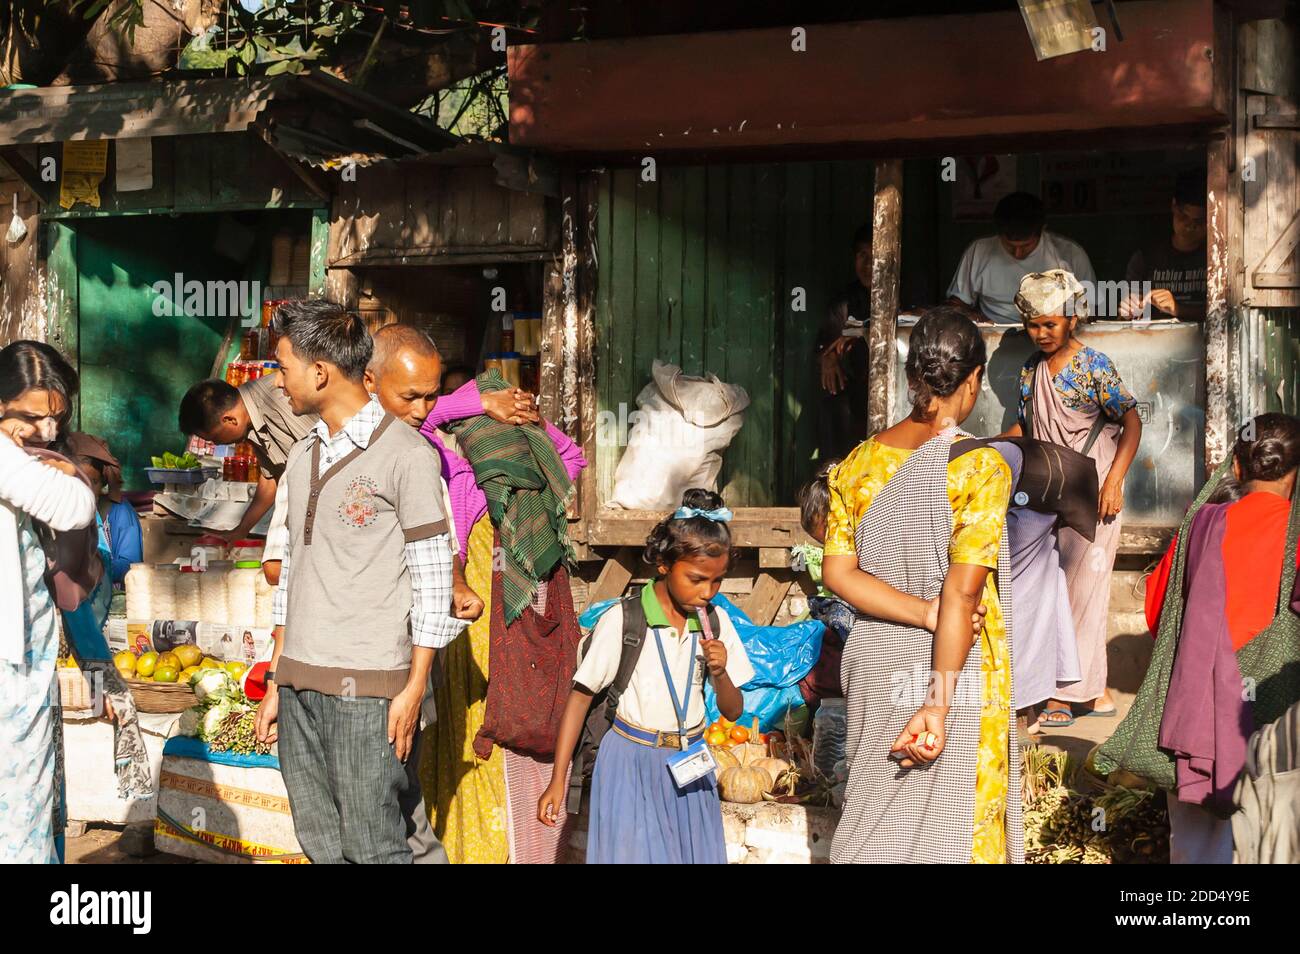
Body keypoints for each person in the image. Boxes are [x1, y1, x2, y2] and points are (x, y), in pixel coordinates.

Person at [252, 299, 466, 864]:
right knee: (322, 842)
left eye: (282, 366)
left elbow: (431, 575)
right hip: (300, 683)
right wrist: (278, 678)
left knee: (374, 846)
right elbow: (291, 575)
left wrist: (415, 684)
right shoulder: (302, 456)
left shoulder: (408, 456)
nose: (280, 381)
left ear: (319, 372)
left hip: (369, 688)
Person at [823, 306, 1021, 863]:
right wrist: (937, 703)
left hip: (872, 662)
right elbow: (961, 596)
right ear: (975, 378)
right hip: (947, 668)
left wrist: (920, 611)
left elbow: (837, 574)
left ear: (914, 378)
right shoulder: (980, 468)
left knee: (872, 818)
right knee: (952, 833)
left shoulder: (859, 463)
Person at [537, 489, 754, 864]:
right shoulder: (624, 620)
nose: (708, 592)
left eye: (717, 582)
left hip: (691, 763)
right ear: (665, 565)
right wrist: (558, 779)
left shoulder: (717, 624)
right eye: (697, 579)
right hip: (630, 764)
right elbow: (579, 698)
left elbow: (734, 712)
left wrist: (719, 673)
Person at [1142, 413, 1300, 863]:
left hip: (1200, 722)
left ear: (1235, 468)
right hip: (1280, 722)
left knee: (1199, 851)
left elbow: (1159, 617)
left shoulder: (1200, 528)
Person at [1001, 270, 1142, 727]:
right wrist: (987, 453)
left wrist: (1115, 481)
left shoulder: (1095, 367)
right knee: (1050, 587)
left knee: (1084, 589)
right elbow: (1025, 426)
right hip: (1046, 491)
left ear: (1072, 320)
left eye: (1051, 324)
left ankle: (1065, 693)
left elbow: (1132, 421)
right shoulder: (1030, 370)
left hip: (1094, 491)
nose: (1041, 334)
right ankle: (1091, 689)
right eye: (1033, 325)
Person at [0, 340, 98, 863]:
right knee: (20, 804)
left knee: (28, 796)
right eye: (34, 416)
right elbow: (76, 508)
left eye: (55, 418)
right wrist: (64, 473)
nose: (47, 432)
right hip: (9, 662)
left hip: (25, 652)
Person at [178, 375, 317, 543]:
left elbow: (328, 451)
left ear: (229, 420)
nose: (217, 443)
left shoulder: (280, 398)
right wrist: (240, 530)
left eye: (214, 438)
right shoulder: (250, 422)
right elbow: (271, 477)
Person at [947, 192, 1095, 323]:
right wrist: (979, 319)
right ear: (999, 234)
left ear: (1042, 230)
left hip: (1049, 336)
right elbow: (956, 304)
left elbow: (1091, 309)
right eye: (1010, 246)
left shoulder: (1069, 254)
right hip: (993, 334)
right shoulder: (979, 251)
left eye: (1026, 246)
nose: (1017, 254)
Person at [1121, 169, 1207, 321]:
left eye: (1199, 221)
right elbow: (1127, 315)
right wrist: (1127, 310)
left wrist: (1178, 309)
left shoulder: (1216, 258)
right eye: (1184, 216)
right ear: (1173, 206)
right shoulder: (1146, 257)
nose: (1190, 226)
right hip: (1153, 340)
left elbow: (1224, 314)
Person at [817, 225, 872, 461]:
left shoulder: (908, 291)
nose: (869, 264)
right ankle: (834, 469)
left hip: (901, 387)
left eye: (876, 256)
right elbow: (825, 344)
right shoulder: (845, 300)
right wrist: (827, 358)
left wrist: (862, 332)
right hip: (856, 390)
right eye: (863, 256)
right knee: (833, 398)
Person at [64, 432, 141, 585]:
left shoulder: (119, 511)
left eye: (92, 482)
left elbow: (131, 565)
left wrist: (89, 568)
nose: (84, 488)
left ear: (103, 483)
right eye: (77, 480)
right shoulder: (53, 510)